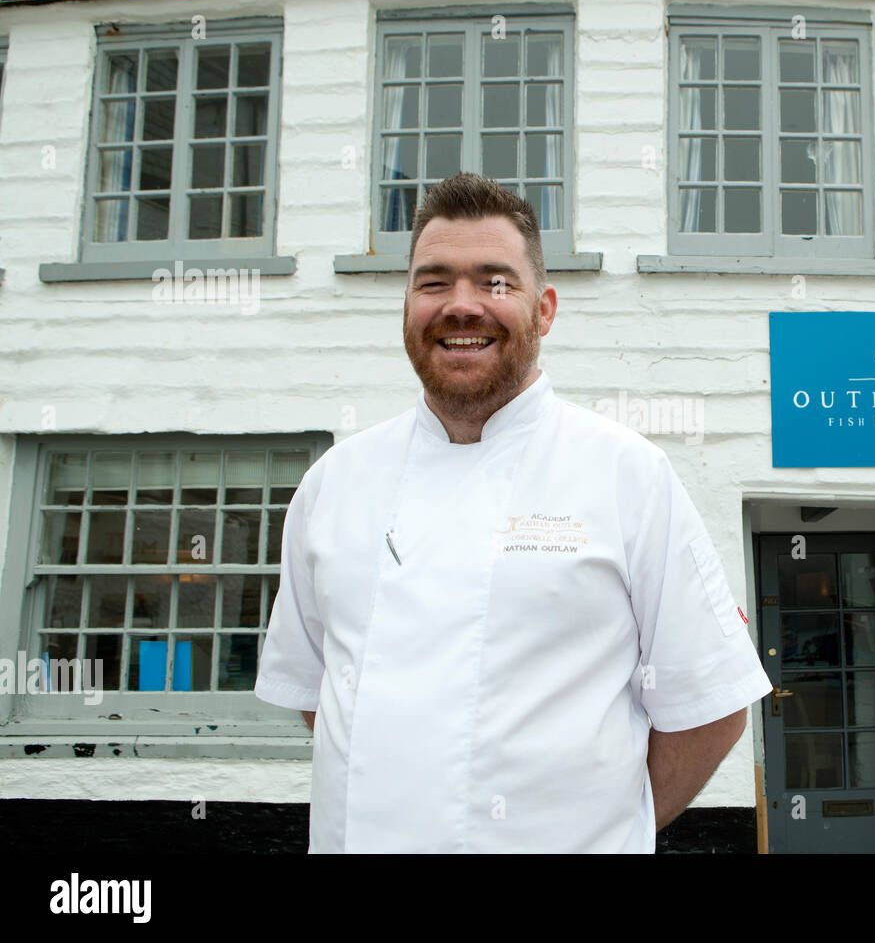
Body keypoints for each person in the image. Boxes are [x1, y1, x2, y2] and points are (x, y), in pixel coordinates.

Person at [253, 172, 773, 852]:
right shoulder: (332, 485)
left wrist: (605, 831)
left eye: (495, 282)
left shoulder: (627, 476)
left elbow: (711, 710)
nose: (461, 305)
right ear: (407, 303)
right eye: (433, 282)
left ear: (545, 309)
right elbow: (319, 693)